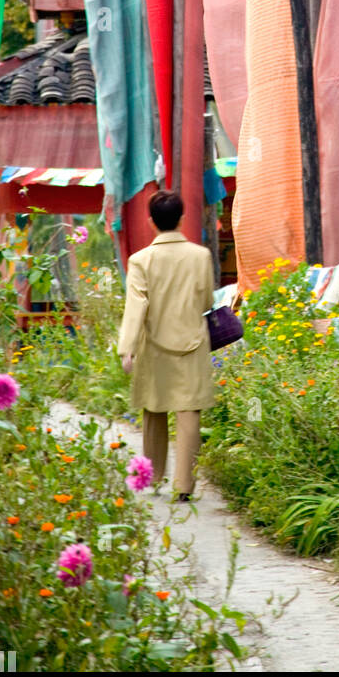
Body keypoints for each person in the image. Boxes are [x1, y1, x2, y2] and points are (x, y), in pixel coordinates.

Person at [117, 190, 216, 501]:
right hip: (192, 341)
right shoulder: (201, 256)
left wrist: (127, 347)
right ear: (182, 219)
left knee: (154, 410)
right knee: (190, 413)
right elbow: (207, 300)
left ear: (151, 222)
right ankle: (184, 486)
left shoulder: (140, 260)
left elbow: (137, 306)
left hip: (154, 344)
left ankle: (153, 476)